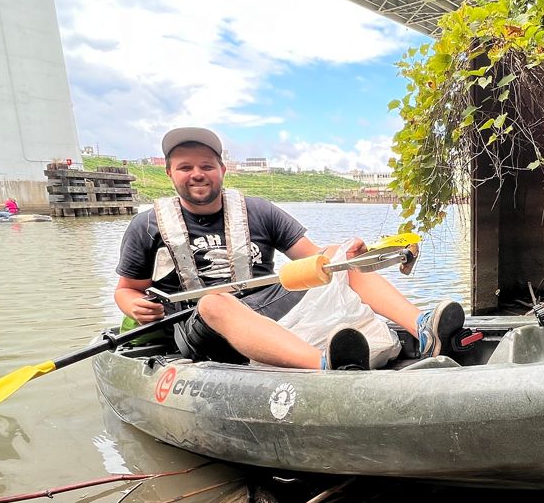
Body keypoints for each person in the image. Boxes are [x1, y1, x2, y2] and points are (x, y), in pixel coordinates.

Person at [113, 127, 465, 370]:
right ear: (170, 175)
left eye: (206, 166)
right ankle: (325, 364)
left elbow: (314, 260)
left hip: (267, 309)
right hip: (201, 327)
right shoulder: (146, 225)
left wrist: (347, 253)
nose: (197, 174)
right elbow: (127, 290)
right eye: (185, 167)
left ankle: (423, 329)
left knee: (337, 258)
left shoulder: (259, 210)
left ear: (222, 169)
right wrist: (136, 306)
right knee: (213, 301)